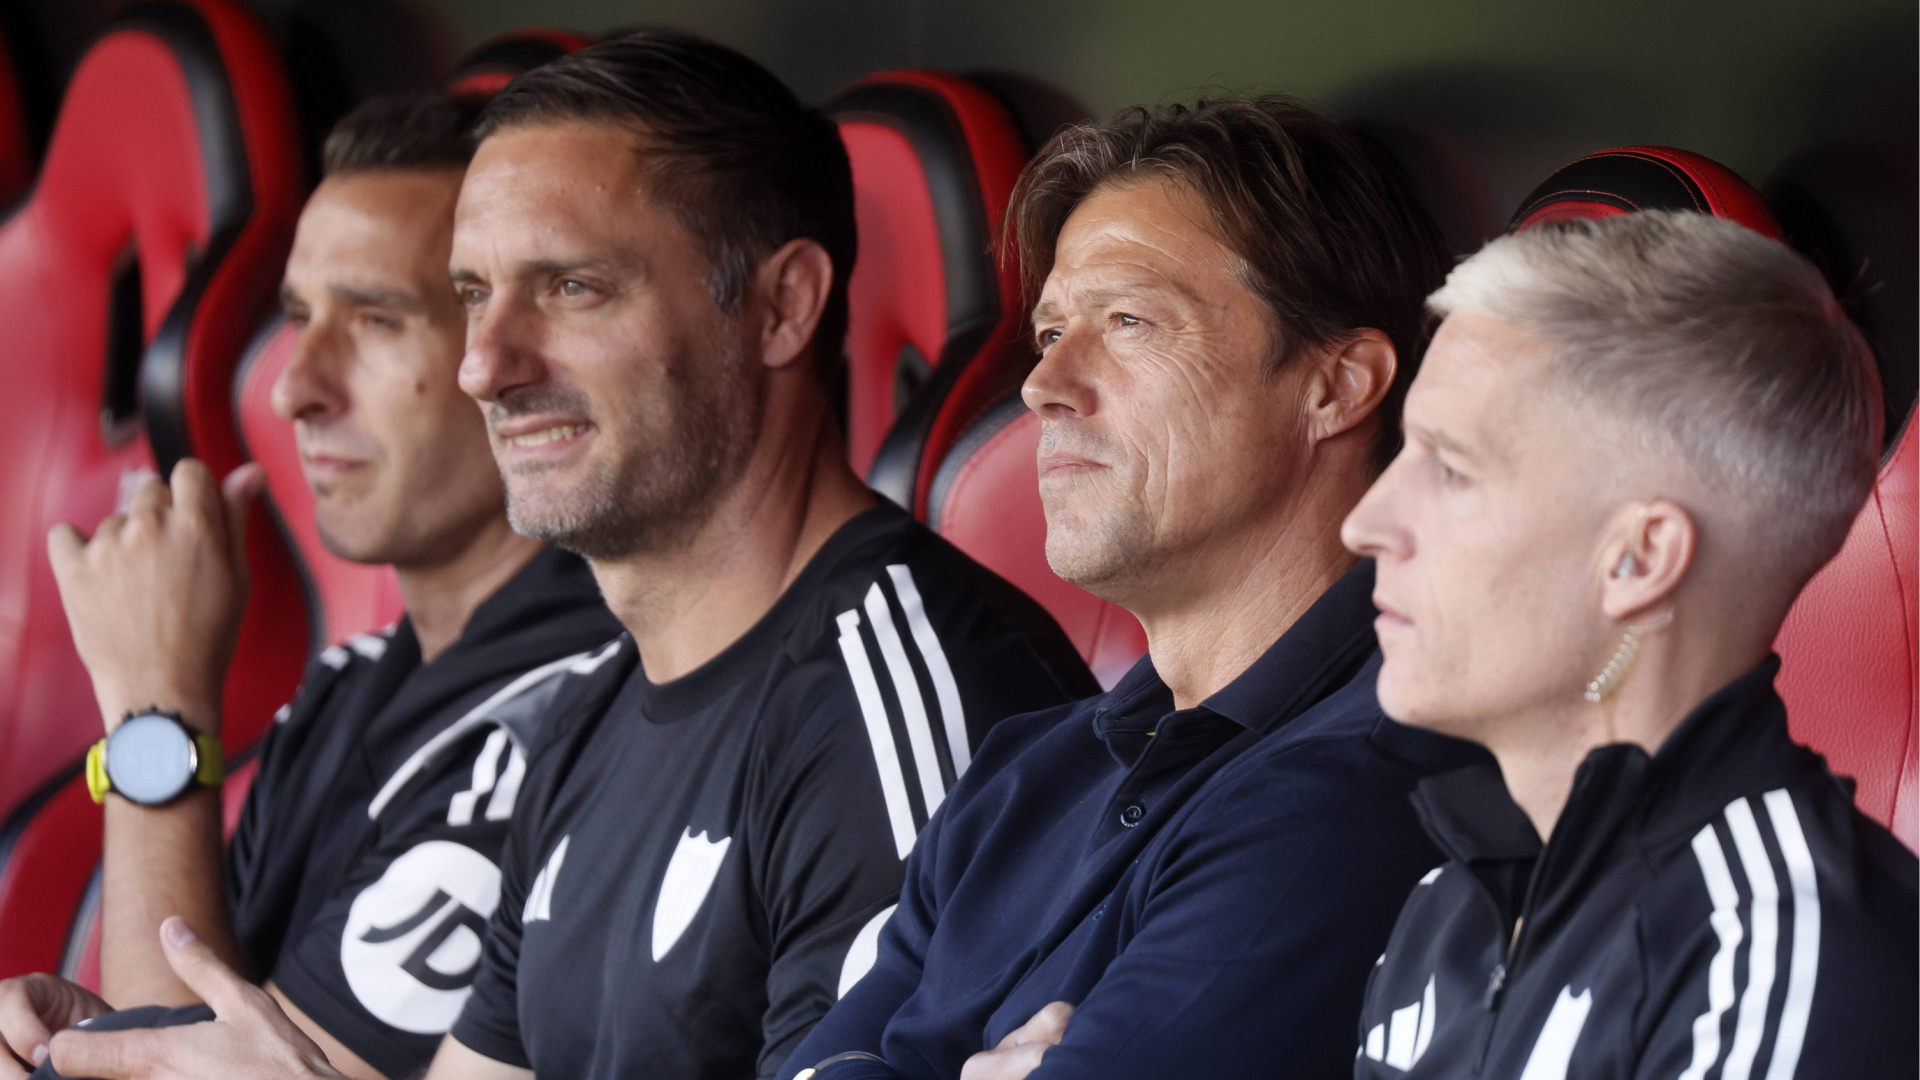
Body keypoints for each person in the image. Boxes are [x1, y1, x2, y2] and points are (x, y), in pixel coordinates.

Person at [29, 30, 1097, 1080]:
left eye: (573, 288)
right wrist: (99, 1045)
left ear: (781, 306)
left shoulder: (900, 699)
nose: (487, 366)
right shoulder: (586, 717)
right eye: (472, 297)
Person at [780, 98, 1488, 1080]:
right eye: (1049, 330)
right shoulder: (1026, 771)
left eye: (1128, 321)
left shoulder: (1362, 779)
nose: (1043, 384)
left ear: (1337, 386)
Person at [0, 93, 623, 1080]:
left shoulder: (561, 715)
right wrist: (80, 1033)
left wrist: (154, 710)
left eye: (377, 319)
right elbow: (200, 1027)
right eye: (298, 317)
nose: (297, 388)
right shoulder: (358, 678)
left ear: (504, 353)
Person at [1343, 210, 1917, 1078]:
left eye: (1451, 467)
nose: (1365, 523)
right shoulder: (1449, 906)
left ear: (1640, 559)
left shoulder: (1786, 957)